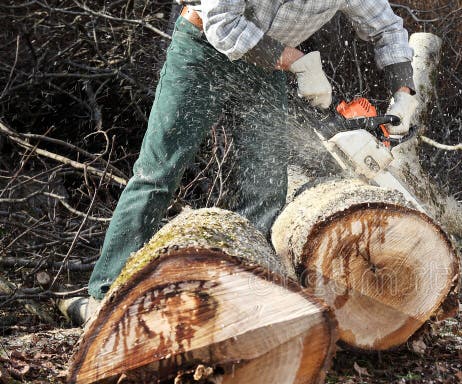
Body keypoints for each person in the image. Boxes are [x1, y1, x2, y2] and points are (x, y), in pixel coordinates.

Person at [60, 0, 418, 326]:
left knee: (265, 187)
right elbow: (223, 23)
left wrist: (403, 94)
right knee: (159, 173)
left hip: (267, 67)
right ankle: (106, 296)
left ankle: (239, 299)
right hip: (203, 48)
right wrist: (298, 61)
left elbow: (386, 28)